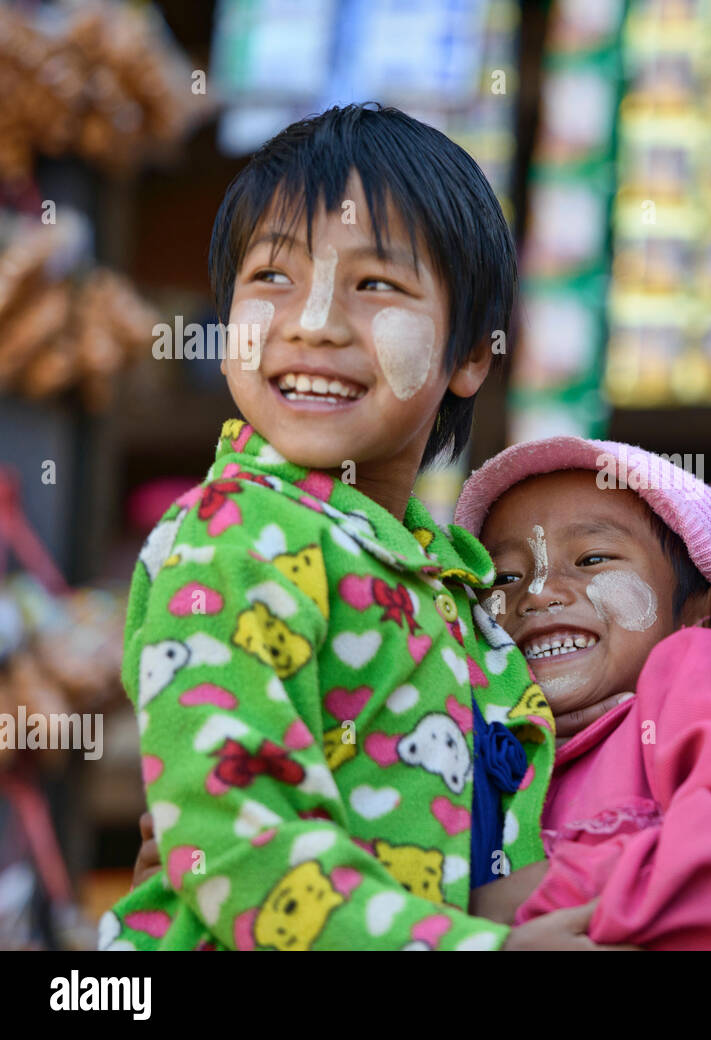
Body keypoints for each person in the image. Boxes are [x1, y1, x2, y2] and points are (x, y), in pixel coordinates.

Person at [101, 104, 609, 950]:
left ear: (471, 355)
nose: (315, 322)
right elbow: (238, 843)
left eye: (376, 285)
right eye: (272, 278)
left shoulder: (445, 578)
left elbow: (466, 861)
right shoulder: (234, 537)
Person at [451, 437, 711, 948]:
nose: (537, 593)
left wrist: (526, 897)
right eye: (505, 575)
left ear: (700, 609)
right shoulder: (477, 735)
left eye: (593, 558)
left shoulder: (694, 671)